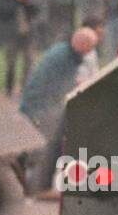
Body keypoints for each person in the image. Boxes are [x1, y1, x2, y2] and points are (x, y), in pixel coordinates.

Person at [17, 27, 99, 195]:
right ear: (81, 44)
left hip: (41, 103)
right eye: (89, 48)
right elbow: (61, 87)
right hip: (39, 106)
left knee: (50, 142)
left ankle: (34, 181)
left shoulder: (65, 52)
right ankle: (36, 184)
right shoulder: (65, 57)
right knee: (49, 144)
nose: (90, 52)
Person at [4, 0, 37, 96]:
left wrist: (24, 2)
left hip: (27, 36)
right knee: (11, 63)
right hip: (13, 37)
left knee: (29, 62)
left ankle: (25, 86)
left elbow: (35, 11)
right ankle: (9, 87)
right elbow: (5, 12)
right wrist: (16, 0)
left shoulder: (29, 1)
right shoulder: (9, 2)